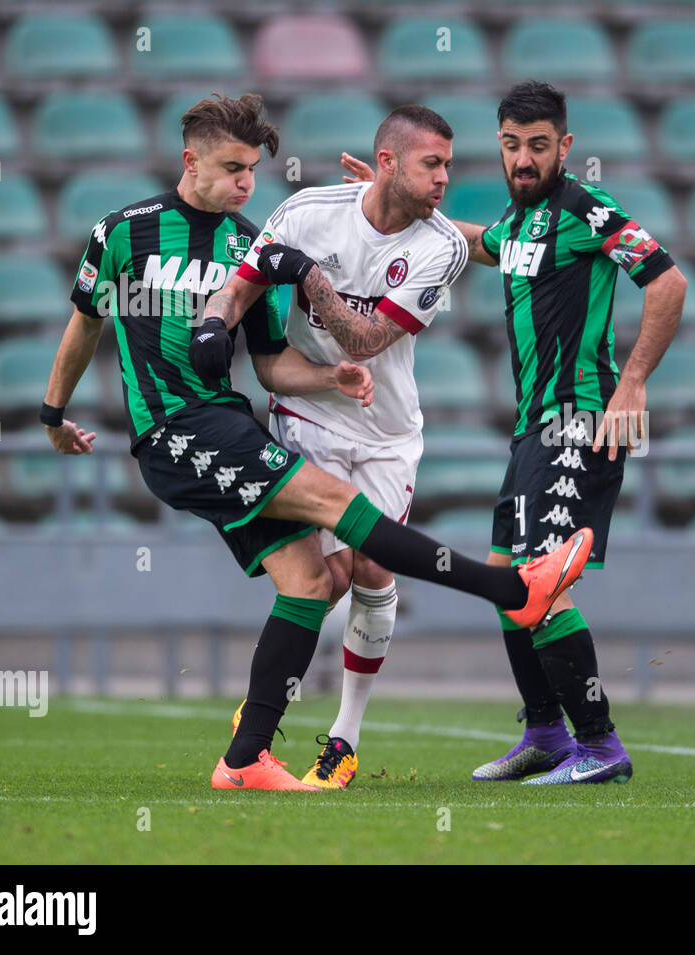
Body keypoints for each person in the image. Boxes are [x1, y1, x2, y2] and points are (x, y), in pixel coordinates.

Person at [43, 93, 591, 792]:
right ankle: (510, 588)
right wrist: (52, 410)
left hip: (238, 420)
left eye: (253, 170)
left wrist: (332, 368)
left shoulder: (252, 237)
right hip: (174, 427)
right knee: (340, 510)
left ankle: (244, 758)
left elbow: (271, 361)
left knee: (315, 580)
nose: (247, 182)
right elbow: (86, 321)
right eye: (234, 168)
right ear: (191, 161)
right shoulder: (122, 232)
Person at [341, 80, 688, 783]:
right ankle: (546, 733)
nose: (523, 159)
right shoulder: (522, 222)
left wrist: (633, 383)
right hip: (533, 430)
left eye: (537, 146)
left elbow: (668, 281)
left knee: (539, 583)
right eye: (510, 146)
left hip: (578, 421)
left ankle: (600, 744)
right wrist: (396, 200)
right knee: (505, 578)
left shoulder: (588, 211)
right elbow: (481, 244)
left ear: (564, 145)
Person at [218, 105, 469, 789]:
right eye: (432, 163)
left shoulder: (440, 246)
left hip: (387, 430)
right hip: (310, 410)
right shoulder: (307, 212)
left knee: (372, 570)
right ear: (387, 161)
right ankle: (269, 708)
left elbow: (362, 340)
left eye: (448, 164)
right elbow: (243, 281)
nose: (446, 177)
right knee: (324, 576)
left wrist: (304, 276)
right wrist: (213, 326)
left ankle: (344, 735)